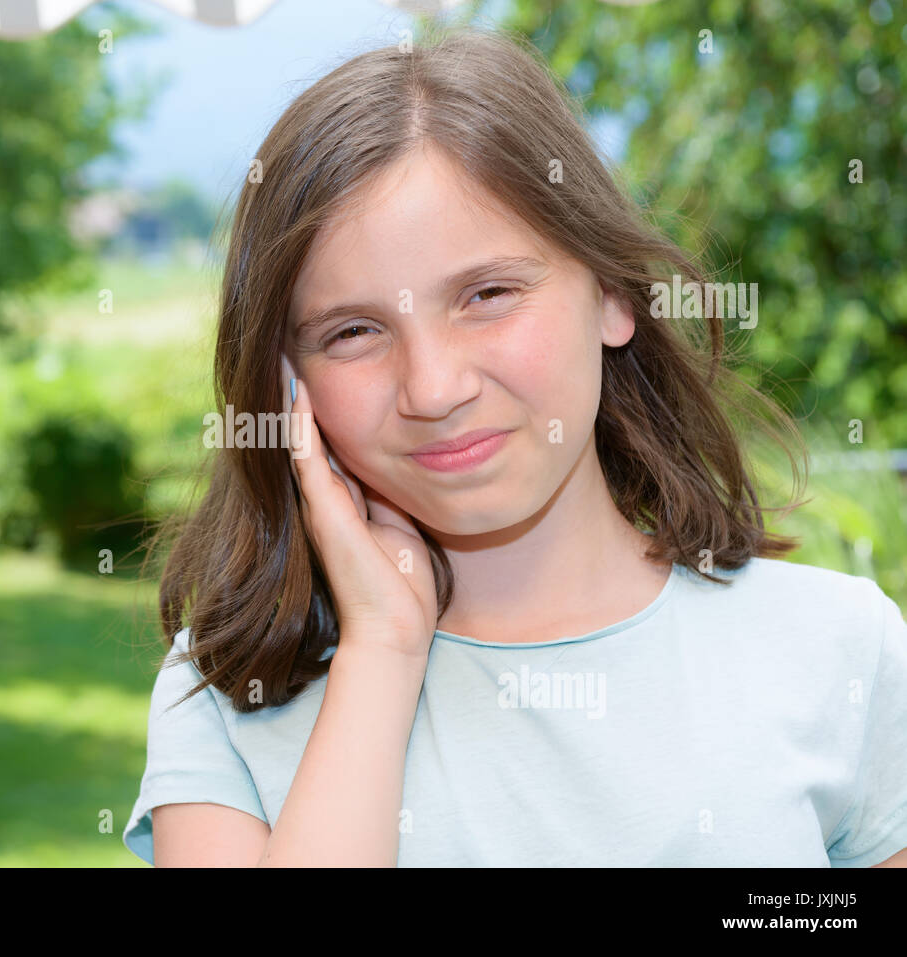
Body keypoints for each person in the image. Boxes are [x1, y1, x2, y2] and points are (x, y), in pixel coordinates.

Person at [122, 27, 907, 867]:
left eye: (488, 294)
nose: (434, 387)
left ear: (612, 294)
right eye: (353, 331)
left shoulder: (839, 648)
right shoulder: (225, 695)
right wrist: (382, 650)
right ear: (286, 386)